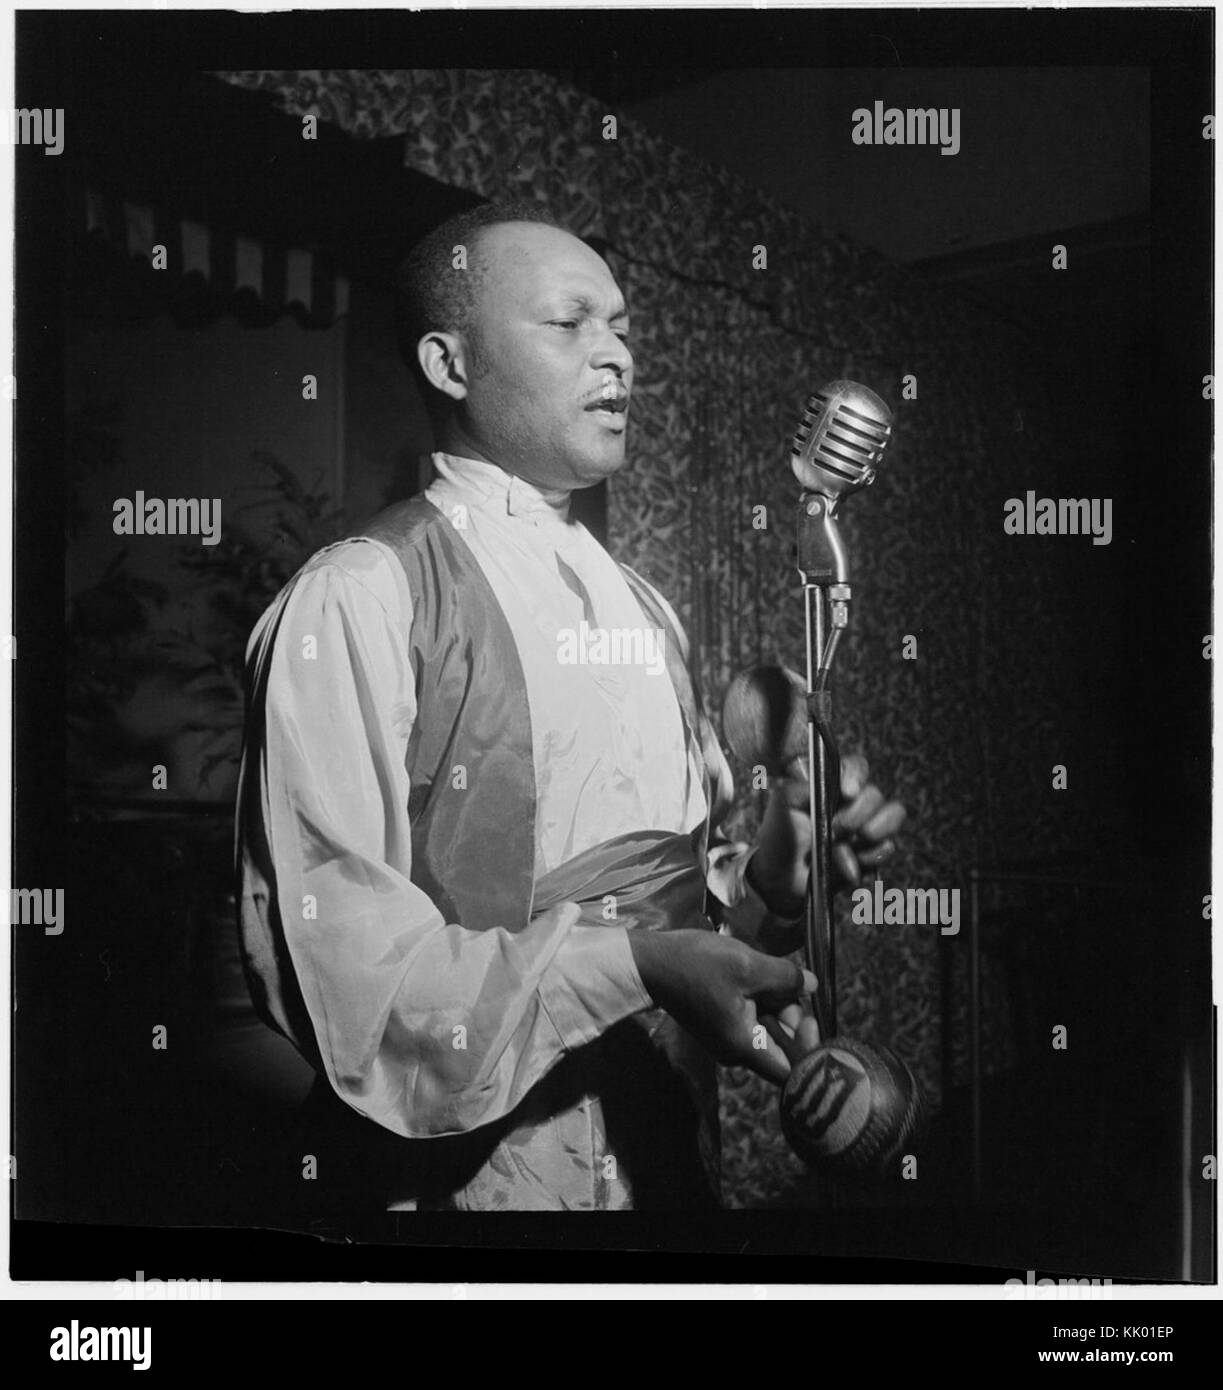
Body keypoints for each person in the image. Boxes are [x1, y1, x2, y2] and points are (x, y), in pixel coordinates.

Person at [235, 200, 905, 1212]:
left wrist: (777, 873)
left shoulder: (641, 607)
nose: (619, 358)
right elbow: (343, 970)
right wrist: (633, 964)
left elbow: (681, 899)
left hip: (665, 1155)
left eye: (625, 329)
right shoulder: (361, 596)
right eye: (569, 323)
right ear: (448, 364)